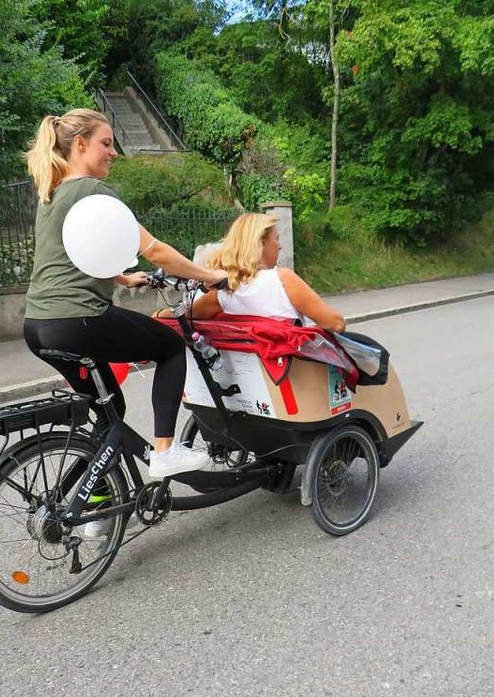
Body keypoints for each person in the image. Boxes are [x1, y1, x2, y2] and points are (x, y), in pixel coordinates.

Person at [22, 108, 227, 478]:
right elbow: (155, 250)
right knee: (168, 346)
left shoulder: (50, 196)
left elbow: (69, 256)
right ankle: (165, 452)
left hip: (39, 326)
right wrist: (209, 275)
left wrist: (120, 277)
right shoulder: (92, 191)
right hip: (78, 319)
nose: (113, 152)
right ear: (80, 144)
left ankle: (97, 509)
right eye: (106, 143)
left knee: (108, 411)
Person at [154, 213, 346, 332]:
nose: (280, 246)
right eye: (276, 239)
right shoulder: (282, 280)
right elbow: (336, 323)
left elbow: (180, 314)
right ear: (261, 243)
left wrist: (157, 314)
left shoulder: (223, 294)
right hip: (293, 381)